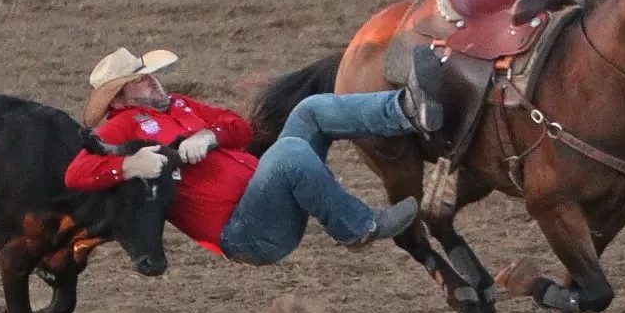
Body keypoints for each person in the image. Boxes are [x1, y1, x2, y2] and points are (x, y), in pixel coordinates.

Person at [64, 46, 443, 266]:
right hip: (247, 232)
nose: (153, 80)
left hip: (266, 196)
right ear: (119, 99)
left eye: (149, 75)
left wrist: (208, 136)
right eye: (140, 81)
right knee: (291, 151)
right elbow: (76, 172)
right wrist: (131, 165)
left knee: (310, 109)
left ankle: (408, 110)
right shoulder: (122, 125)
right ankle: (358, 227)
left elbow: (239, 128)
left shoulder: (180, 104)